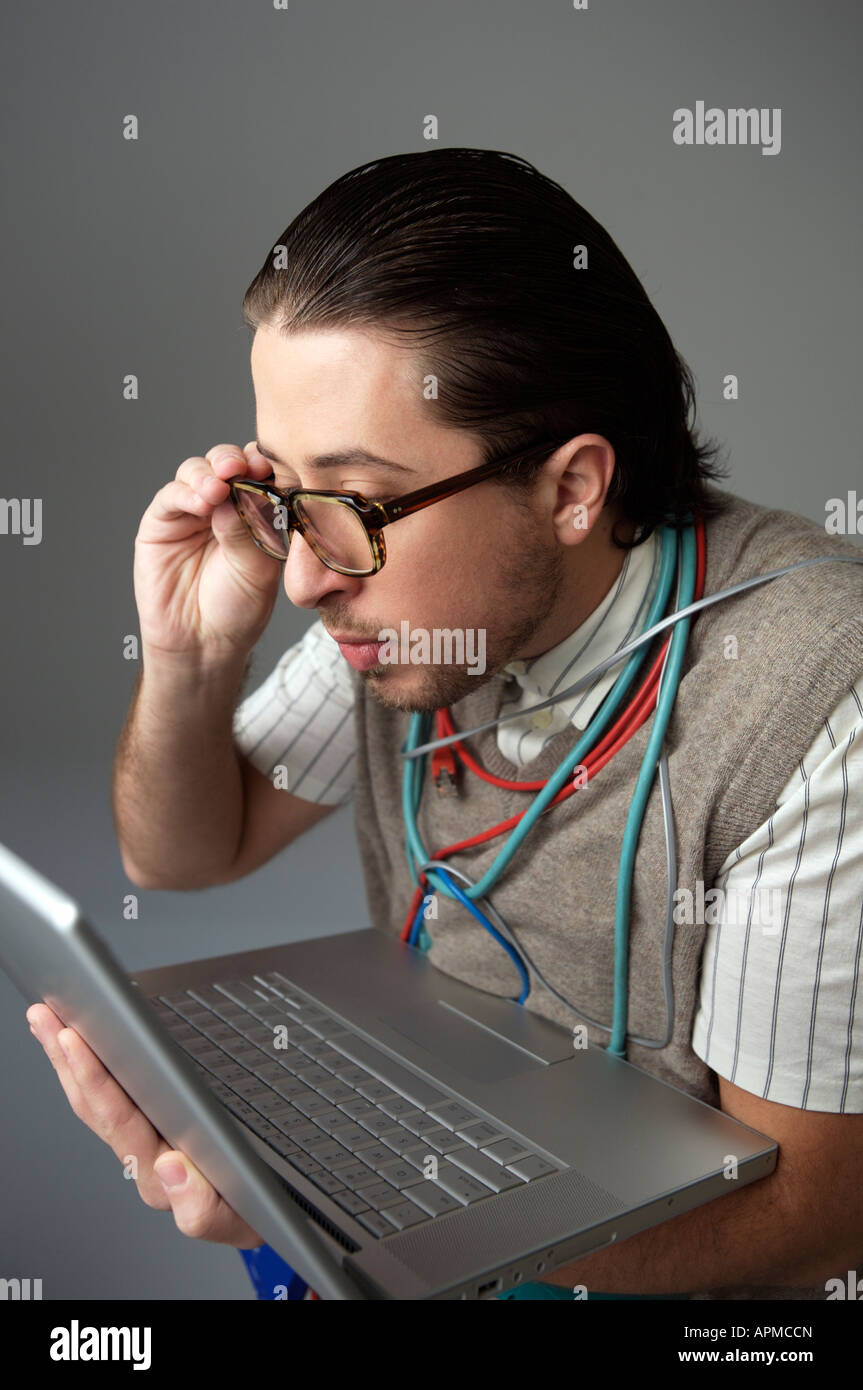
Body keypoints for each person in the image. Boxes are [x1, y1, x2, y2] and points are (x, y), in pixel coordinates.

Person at [27, 149, 863, 1301]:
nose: (308, 582)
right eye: (290, 496)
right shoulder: (407, 614)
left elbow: (812, 1219)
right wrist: (189, 655)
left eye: (355, 502)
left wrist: (340, 1205)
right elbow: (178, 850)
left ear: (571, 489)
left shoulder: (818, 694)